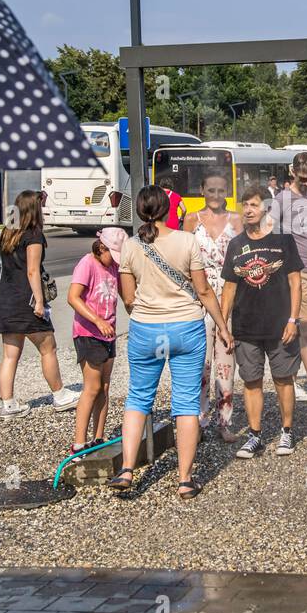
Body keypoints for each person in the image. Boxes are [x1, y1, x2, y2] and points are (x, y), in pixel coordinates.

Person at [108, 186, 233, 499]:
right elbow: (204, 291)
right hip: (186, 328)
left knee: (138, 398)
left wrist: (147, 312)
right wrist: (223, 327)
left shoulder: (131, 246)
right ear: (168, 210)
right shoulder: (187, 241)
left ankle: (126, 468)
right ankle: (185, 479)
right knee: (187, 402)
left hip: (146, 330)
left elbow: (127, 297)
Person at [220, 185, 301, 459]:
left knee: (282, 378)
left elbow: (295, 281)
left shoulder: (283, 240)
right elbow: (229, 288)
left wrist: (293, 319)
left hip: (280, 325)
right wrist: (223, 325)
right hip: (246, 326)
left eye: (253, 204)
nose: (248, 210)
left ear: (265, 207)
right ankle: (254, 436)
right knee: (251, 380)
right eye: (245, 205)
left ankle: (287, 431)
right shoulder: (236, 244)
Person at [0, 191, 78, 417]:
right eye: (41, 205)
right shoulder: (34, 235)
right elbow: (32, 271)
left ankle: (8, 403)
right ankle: (59, 395)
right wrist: (39, 302)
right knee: (48, 348)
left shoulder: (7, 234)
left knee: (10, 355)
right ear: (34, 209)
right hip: (27, 301)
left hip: (6, 300)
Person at [268, 152, 307, 411]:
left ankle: (290, 379)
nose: (306, 184)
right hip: (297, 273)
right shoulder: (282, 200)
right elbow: (273, 236)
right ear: (292, 172)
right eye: (303, 179)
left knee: (303, 330)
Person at [181, 169, 241, 442]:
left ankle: (224, 421)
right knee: (201, 363)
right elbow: (183, 260)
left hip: (230, 297)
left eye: (221, 190)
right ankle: (200, 420)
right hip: (200, 297)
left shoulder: (236, 221)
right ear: (202, 190)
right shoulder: (192, 219)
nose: (216, 195)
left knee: (226, 363)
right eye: (211, 190)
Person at [66, 229, 123, 454]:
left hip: (108, 332)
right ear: (101, 248)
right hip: (88, 332)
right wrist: (97, 320)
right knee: (92, 387)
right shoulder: (87, 264)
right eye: (113, 255)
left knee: (105, 387)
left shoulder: (113, 266)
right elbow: (73, 297)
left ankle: (98, 437)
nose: (115, 261)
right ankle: (78, 443)